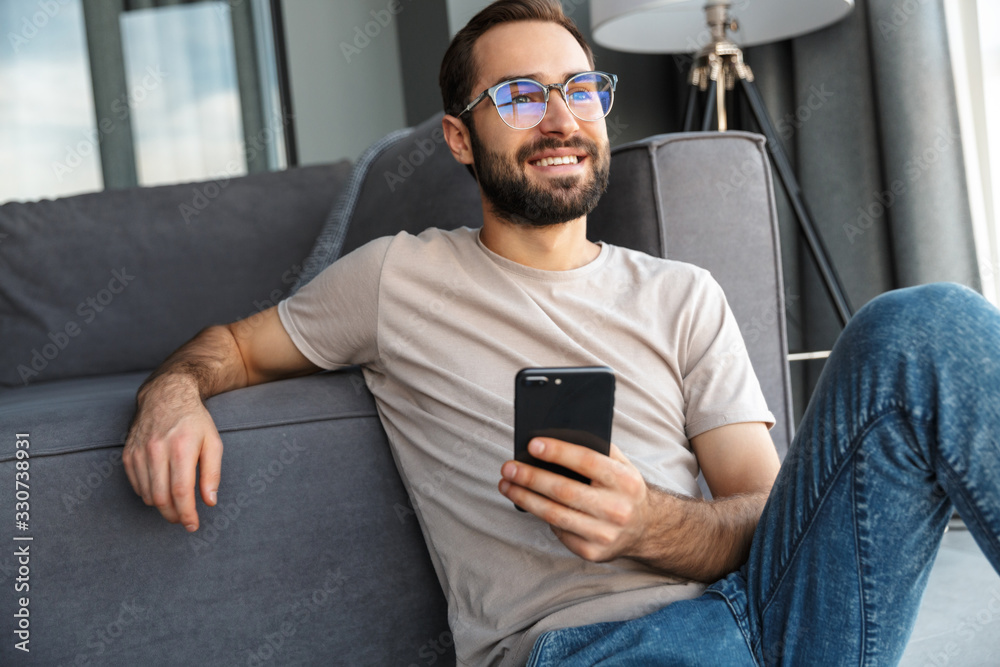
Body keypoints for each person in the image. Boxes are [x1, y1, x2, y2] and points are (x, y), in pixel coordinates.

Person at [123, 1, 1000, 665]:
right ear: (460, 140)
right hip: (587, 647)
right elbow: (231, 347)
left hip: (769, 611)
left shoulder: (682, 293)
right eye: (519, 95)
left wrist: (648, 522)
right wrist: (172, 392)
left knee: (927, 322)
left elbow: (764, 515)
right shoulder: (397, 278)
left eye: (580, 89)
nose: (560, 117)